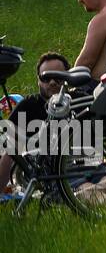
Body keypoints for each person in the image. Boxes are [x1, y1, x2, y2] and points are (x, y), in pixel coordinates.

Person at [0, 51, 73, 192]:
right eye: (46, 78)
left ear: (68, 77)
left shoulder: (80, 100)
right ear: (38, 80)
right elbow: (8, 142)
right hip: (53, 176)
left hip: (87, 167)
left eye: (58, 77)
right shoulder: (28, 106)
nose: (52, 82)